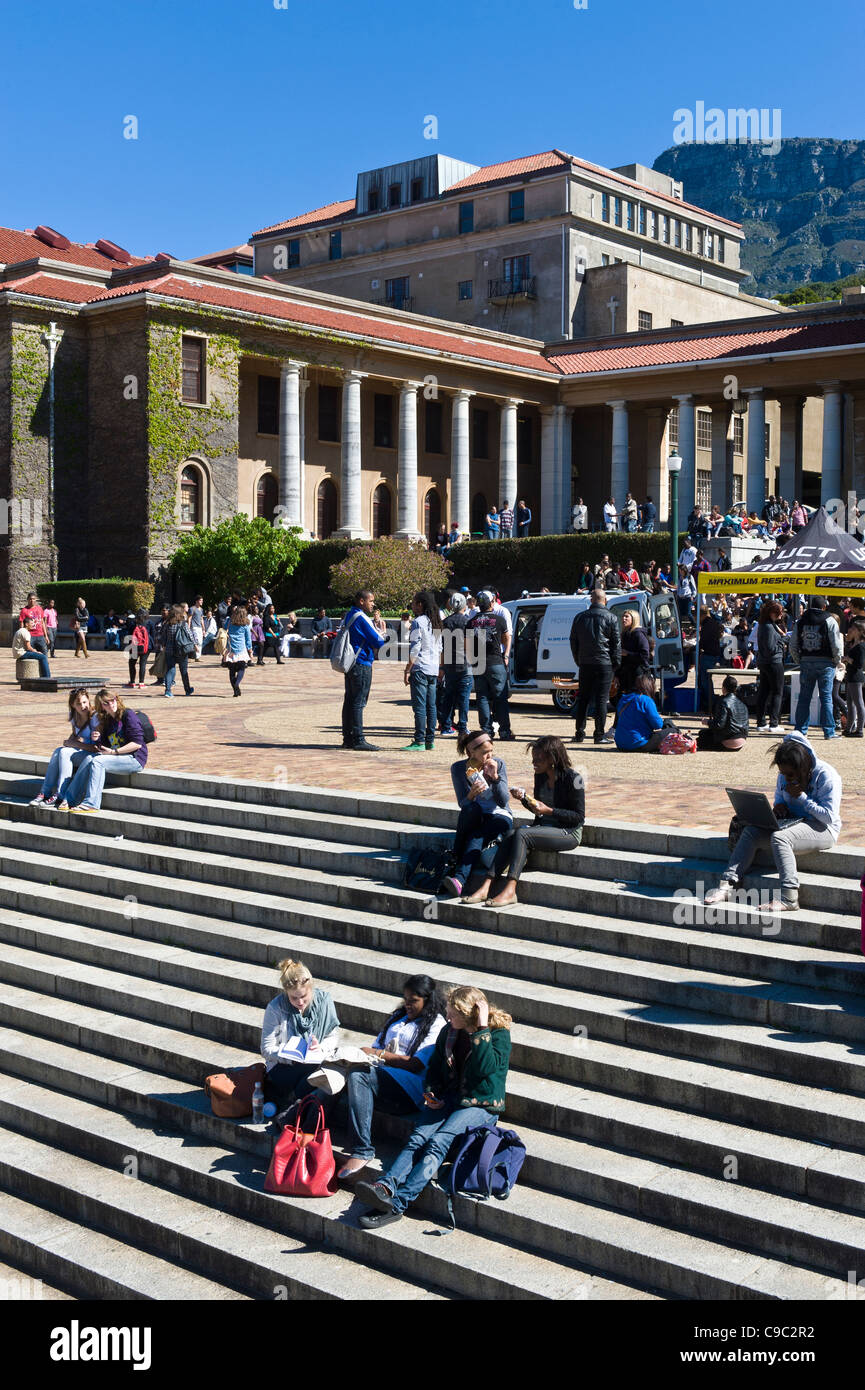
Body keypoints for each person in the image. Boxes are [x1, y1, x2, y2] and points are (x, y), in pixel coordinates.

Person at [354, 986, 511, 1230]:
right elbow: (435, 1070)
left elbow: (485, 1069)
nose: (447, 1016)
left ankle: (398, 1203)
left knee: (437, 1142)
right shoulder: (449, 1032)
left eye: (452, 1012)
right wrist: (432, 1092)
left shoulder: (497, 1035)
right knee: (418, 1137)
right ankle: (384, 1186)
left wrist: (480, 1029)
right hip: (450, 1099)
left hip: (482, 1104)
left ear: (468, 1014)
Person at [704, 733, 842, 912]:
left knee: (780, 838)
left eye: (790, 774)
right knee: (751, 832)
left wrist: (802, 798)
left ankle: (789, 897)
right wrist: (778, 807)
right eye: (782, 773)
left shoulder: (826, 775)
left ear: (802, 767)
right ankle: (727, 884)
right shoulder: (783, 775)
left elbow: (829, 817)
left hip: (822, 828)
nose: (786, 778)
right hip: (792, 823)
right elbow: (780, 798)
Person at [336, 976, 446, 1179]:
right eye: (405, 999)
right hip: (383, 1076)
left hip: (410, 1087)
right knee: (336, 1067)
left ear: (427, 1000)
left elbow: (414, 1064)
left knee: (359, 1074)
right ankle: (302, 1120)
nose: (408, 1005)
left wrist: (379, 1055)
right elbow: (375, 1046)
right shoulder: (399, 1017)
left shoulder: (437, 1024)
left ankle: (362, 1150)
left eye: (413, 1000)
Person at [467, 735, 585, 908]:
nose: (534, 763)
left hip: (568, 832)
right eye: (533, 758)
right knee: (510, 834)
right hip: (545, 827)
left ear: (553, 758)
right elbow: (539, 811)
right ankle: (486, 886)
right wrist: (524, 800)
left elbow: (579, 816)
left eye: (539, 759)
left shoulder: (574, 779)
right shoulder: (541, 775)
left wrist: (549, 810)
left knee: (522, 833)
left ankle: (510, 890)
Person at [260, 958, 340, 1113]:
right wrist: (289, 1056)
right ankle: (295, 1104)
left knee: (322, 1068)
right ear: (286, 992)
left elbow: (333, 1036)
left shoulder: (324, 1001)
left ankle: (291, 1103)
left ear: (312, 988)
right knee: (319, 1072)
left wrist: (320, 1048)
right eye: (294, 998)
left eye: (304, 996)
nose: (300, 1002)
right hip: (282, 1066)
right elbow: (266, 1049)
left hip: (314, 1060)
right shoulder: (276, 1007)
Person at [441, 728, 513, 898]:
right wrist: (471, 795)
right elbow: (463, 804)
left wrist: (495, 778)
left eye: (491, 751)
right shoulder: (459, 769)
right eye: (484, 753)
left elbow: (503, 801)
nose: (490, 756)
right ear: (471, 751)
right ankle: (458, 861)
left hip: (500, 815)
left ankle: (458, 876)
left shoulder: (498, 764)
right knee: (470, 809)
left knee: (476, 836)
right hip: (477, 814)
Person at [58, 688, 148, 814]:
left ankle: (91, 803)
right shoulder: (108, 720)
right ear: (101, 707)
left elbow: (137, 744)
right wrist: (97, 739)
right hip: (117, 757)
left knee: (98, 761)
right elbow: (104, 745)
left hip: (134, 759)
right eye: (106, 703)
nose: (110, 704)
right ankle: (70, 799)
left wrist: (114, 752)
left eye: (112, 700)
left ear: (117, 700)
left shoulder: (128, 715)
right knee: (89, 758)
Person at [29, 688, 101, 807]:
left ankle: (60, 794)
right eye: (79, 704)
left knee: (64, 753)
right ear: (73, 705)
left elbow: (98, 748)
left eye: (85, 702)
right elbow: (75, 736)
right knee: (58, 751)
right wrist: (69, 741)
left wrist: (76, 744)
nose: (83, 706)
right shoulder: (74, 716)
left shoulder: (95, 718)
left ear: (89, 701)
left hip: (92, 755)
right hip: (81, 752)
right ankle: (44, 793)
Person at [570, 588, 621, 744]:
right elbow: (616, 643)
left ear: (591, 600)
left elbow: (573, 641)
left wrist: (579, 660)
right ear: (604, 600)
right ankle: (598, 735)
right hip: (604, 663)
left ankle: (579, 733)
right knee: (601, 700)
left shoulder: (580, 618)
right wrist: (615, 664)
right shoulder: (611, 617)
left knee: (583, 698)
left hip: (585, 663)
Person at [791, 596, 843, 741]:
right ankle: (829, 732)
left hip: (806, 661)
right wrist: (836, 660)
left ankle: (801, 730)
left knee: (804, 697)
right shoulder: (830, 620)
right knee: (826, 698)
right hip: (826, 663)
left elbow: (793, 644)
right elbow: (836, 645)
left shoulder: (801, 621)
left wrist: (799, 659)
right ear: (824, 607)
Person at [341, 589, 388, 751]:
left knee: (350, 700)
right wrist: (383, 637)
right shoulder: (361, 617)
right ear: (361, 601)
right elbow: (378, 641)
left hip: (350, 662)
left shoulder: (349, 615)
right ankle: (359, 739)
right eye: (371, 601)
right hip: (362, 662)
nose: (373, 604)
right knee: (359, 701)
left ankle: (347, 738)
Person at [467, 592, 512, 740]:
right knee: (500, 697)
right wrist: (506, 655)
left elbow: (467, 644)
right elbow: (506, 638)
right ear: (492, 603)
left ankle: (486, 730)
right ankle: (504, 731)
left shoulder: (471, 621)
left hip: (478, 663)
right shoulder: (499, 619)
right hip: (496, 661)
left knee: (482, 698)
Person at [403, 589, 443, 751]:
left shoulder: (418, 622)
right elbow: (440, 647)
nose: (412, 605)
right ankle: (429, 740)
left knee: (419, 707)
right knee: (431, 706)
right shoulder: (436, 621)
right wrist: (440, 667)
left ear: (420, 604)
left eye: (414, 603)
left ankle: (419, 740)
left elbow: (415, 648)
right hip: (433, 668)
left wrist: (407, 670)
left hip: (420, 668)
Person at [438, 592, 472, 737]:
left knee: (449, 696)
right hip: (464, 664)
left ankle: (446, 725)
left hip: (449, 663)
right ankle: (463, 726)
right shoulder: (467, 622)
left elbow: (441, 646)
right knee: (464, 698)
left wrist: (441, 667)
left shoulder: (445, 622)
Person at [614, 673, 669, 753]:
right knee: (672, 729)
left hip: (620, 744)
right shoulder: (646, 700)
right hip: (638, 743)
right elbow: (658, 725)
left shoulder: (623, 699)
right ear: (650, 686)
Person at [754, 598, 788, 729]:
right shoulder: (768, 627)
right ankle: (774, 723)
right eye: (778, 613)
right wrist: (783, 641)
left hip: (765, 662)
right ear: (770, 612)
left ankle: (761, 722)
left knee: (764, 691)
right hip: (773, 662)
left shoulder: (765, 624)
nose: (781, 615)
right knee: (777, 692)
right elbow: (770, 648)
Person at [697, 674, 749, 751]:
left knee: (702, 735)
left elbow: (719, 725)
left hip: (728, 740)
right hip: (742, 741)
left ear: (723, 687)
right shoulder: (742, 704)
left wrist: (707, 722)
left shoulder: (723, 702)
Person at [697, 603, 726, 711]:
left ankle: (710, 704)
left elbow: (704, 641)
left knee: (706, 681)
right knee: (706, 680)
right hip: (712, 653)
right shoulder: (712, 622)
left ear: (702, 615)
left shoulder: (708, 624)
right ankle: (709, 703)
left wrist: (695, 648)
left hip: (709, 655)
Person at [162, 605, 195, 698]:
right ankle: (187, 689)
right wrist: (194, 645)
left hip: (169, 650)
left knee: (170, 669)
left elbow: (163, 636)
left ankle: (168, 690)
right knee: (184, 671)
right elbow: (190, 635)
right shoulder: (183, 623)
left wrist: (164, 645)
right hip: (182, 650)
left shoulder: (167, 623)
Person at [618, 609, 651, 692]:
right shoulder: (625, 634)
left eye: (626, 617)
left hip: (639, 673)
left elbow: (644, 655)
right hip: (627, 673)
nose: (623, 619)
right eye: (623, 616)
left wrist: (627, 654)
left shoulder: (638, 634)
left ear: (634, 619)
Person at [225, 604, 252, 697]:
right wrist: (250, 650)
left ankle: (235, 689)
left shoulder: (229, 621)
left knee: (231, 670)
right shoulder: (245, 625)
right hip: (241, 649)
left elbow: (224, 631)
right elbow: (248, 639)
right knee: (241, 668)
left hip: (230, 648)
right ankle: (237, 683)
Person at [843, 623, 865, 738]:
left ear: (860, 631)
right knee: (851, 704)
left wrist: (847, 659)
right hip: (851, 676)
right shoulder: (854, 644)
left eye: (854, 628)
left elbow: (859, 664)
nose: (851, 630)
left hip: (856, 677)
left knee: (858, 704)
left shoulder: (861, 646)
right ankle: (849, 728)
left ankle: (859, 730)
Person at [125, 611, 150, 689]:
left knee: (132, 664)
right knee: (143, 664)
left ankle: (132, 682)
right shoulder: (149, 623)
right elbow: (153, 634)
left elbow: (129, 635)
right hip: (145, 646)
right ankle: (141, 683)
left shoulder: (132, 624)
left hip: (134, 646)